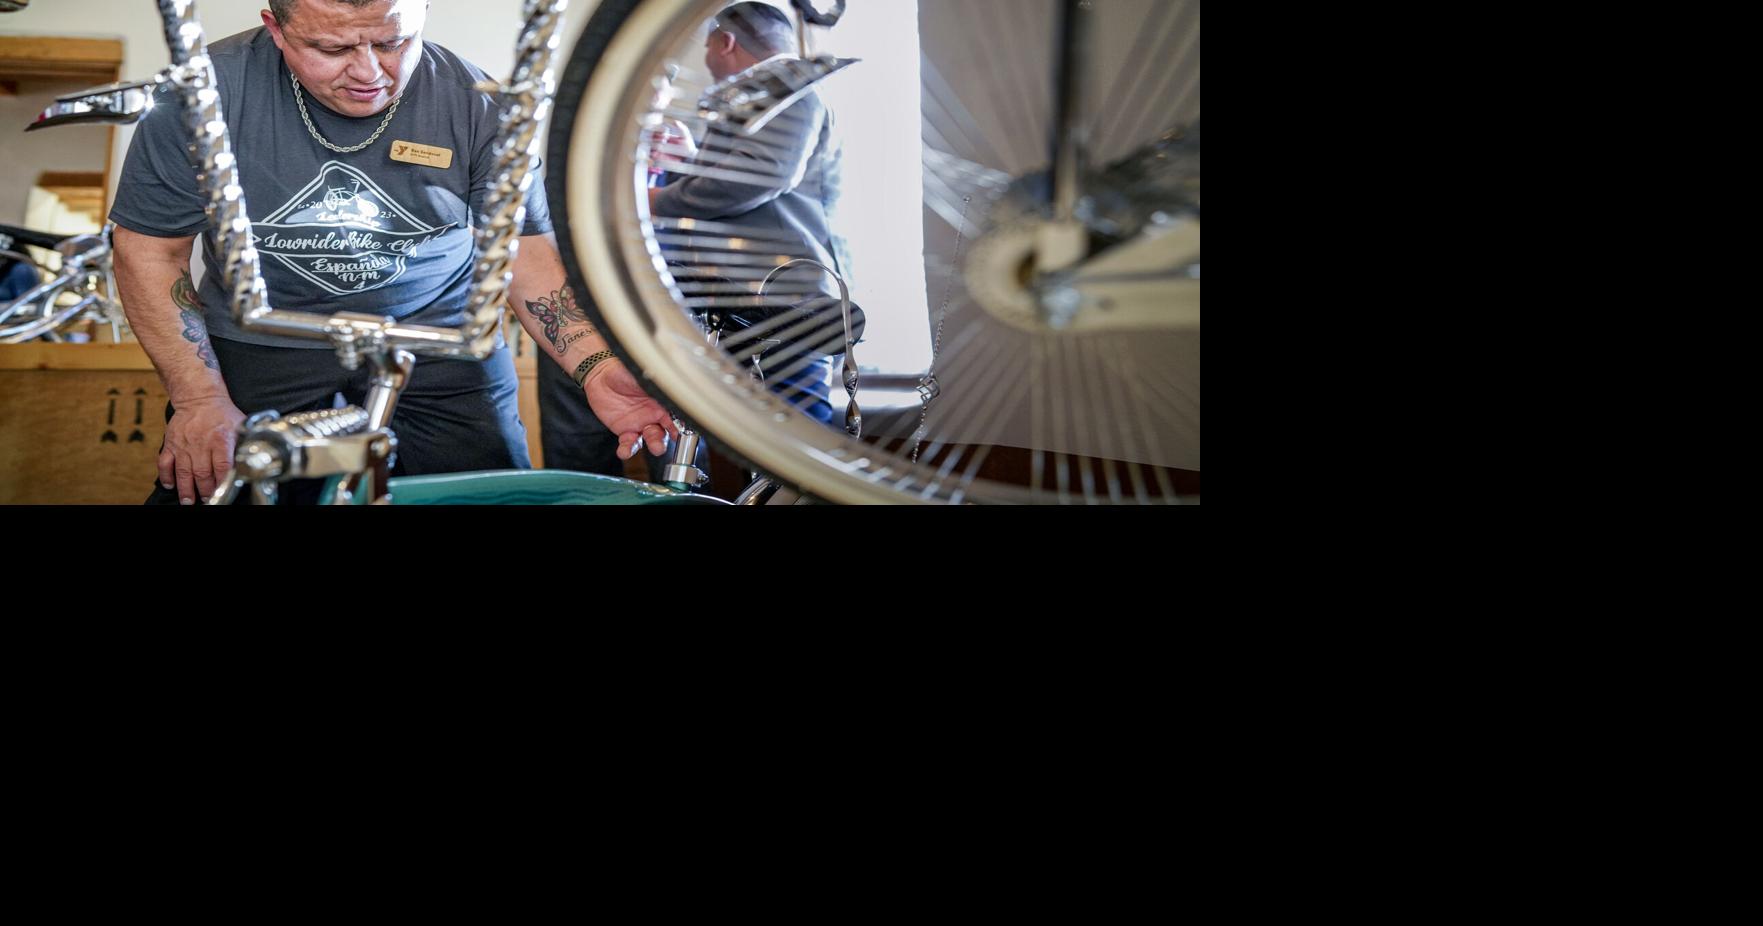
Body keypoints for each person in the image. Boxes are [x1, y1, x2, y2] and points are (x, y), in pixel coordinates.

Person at [109, 0, 677, 505]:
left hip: (441, 344)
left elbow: (523, 254)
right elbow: (152, 250)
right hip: (262, 345)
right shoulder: (201, 94)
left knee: (490, 493)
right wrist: (197, 398)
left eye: (392, 41)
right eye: (331, 48)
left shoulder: (481, 105)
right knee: (223, 482)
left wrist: (596, 365)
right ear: (276, 29)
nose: (368, 72)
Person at [648, 1, 858, 425]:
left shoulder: (791, 90)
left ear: (725, 42)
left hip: (784, 297)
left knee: (794, 434)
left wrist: (656, 201)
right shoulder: (767, 94)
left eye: (708, 47)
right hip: (750, 296)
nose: (707, 60)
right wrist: (691, 158)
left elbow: (763, 176)